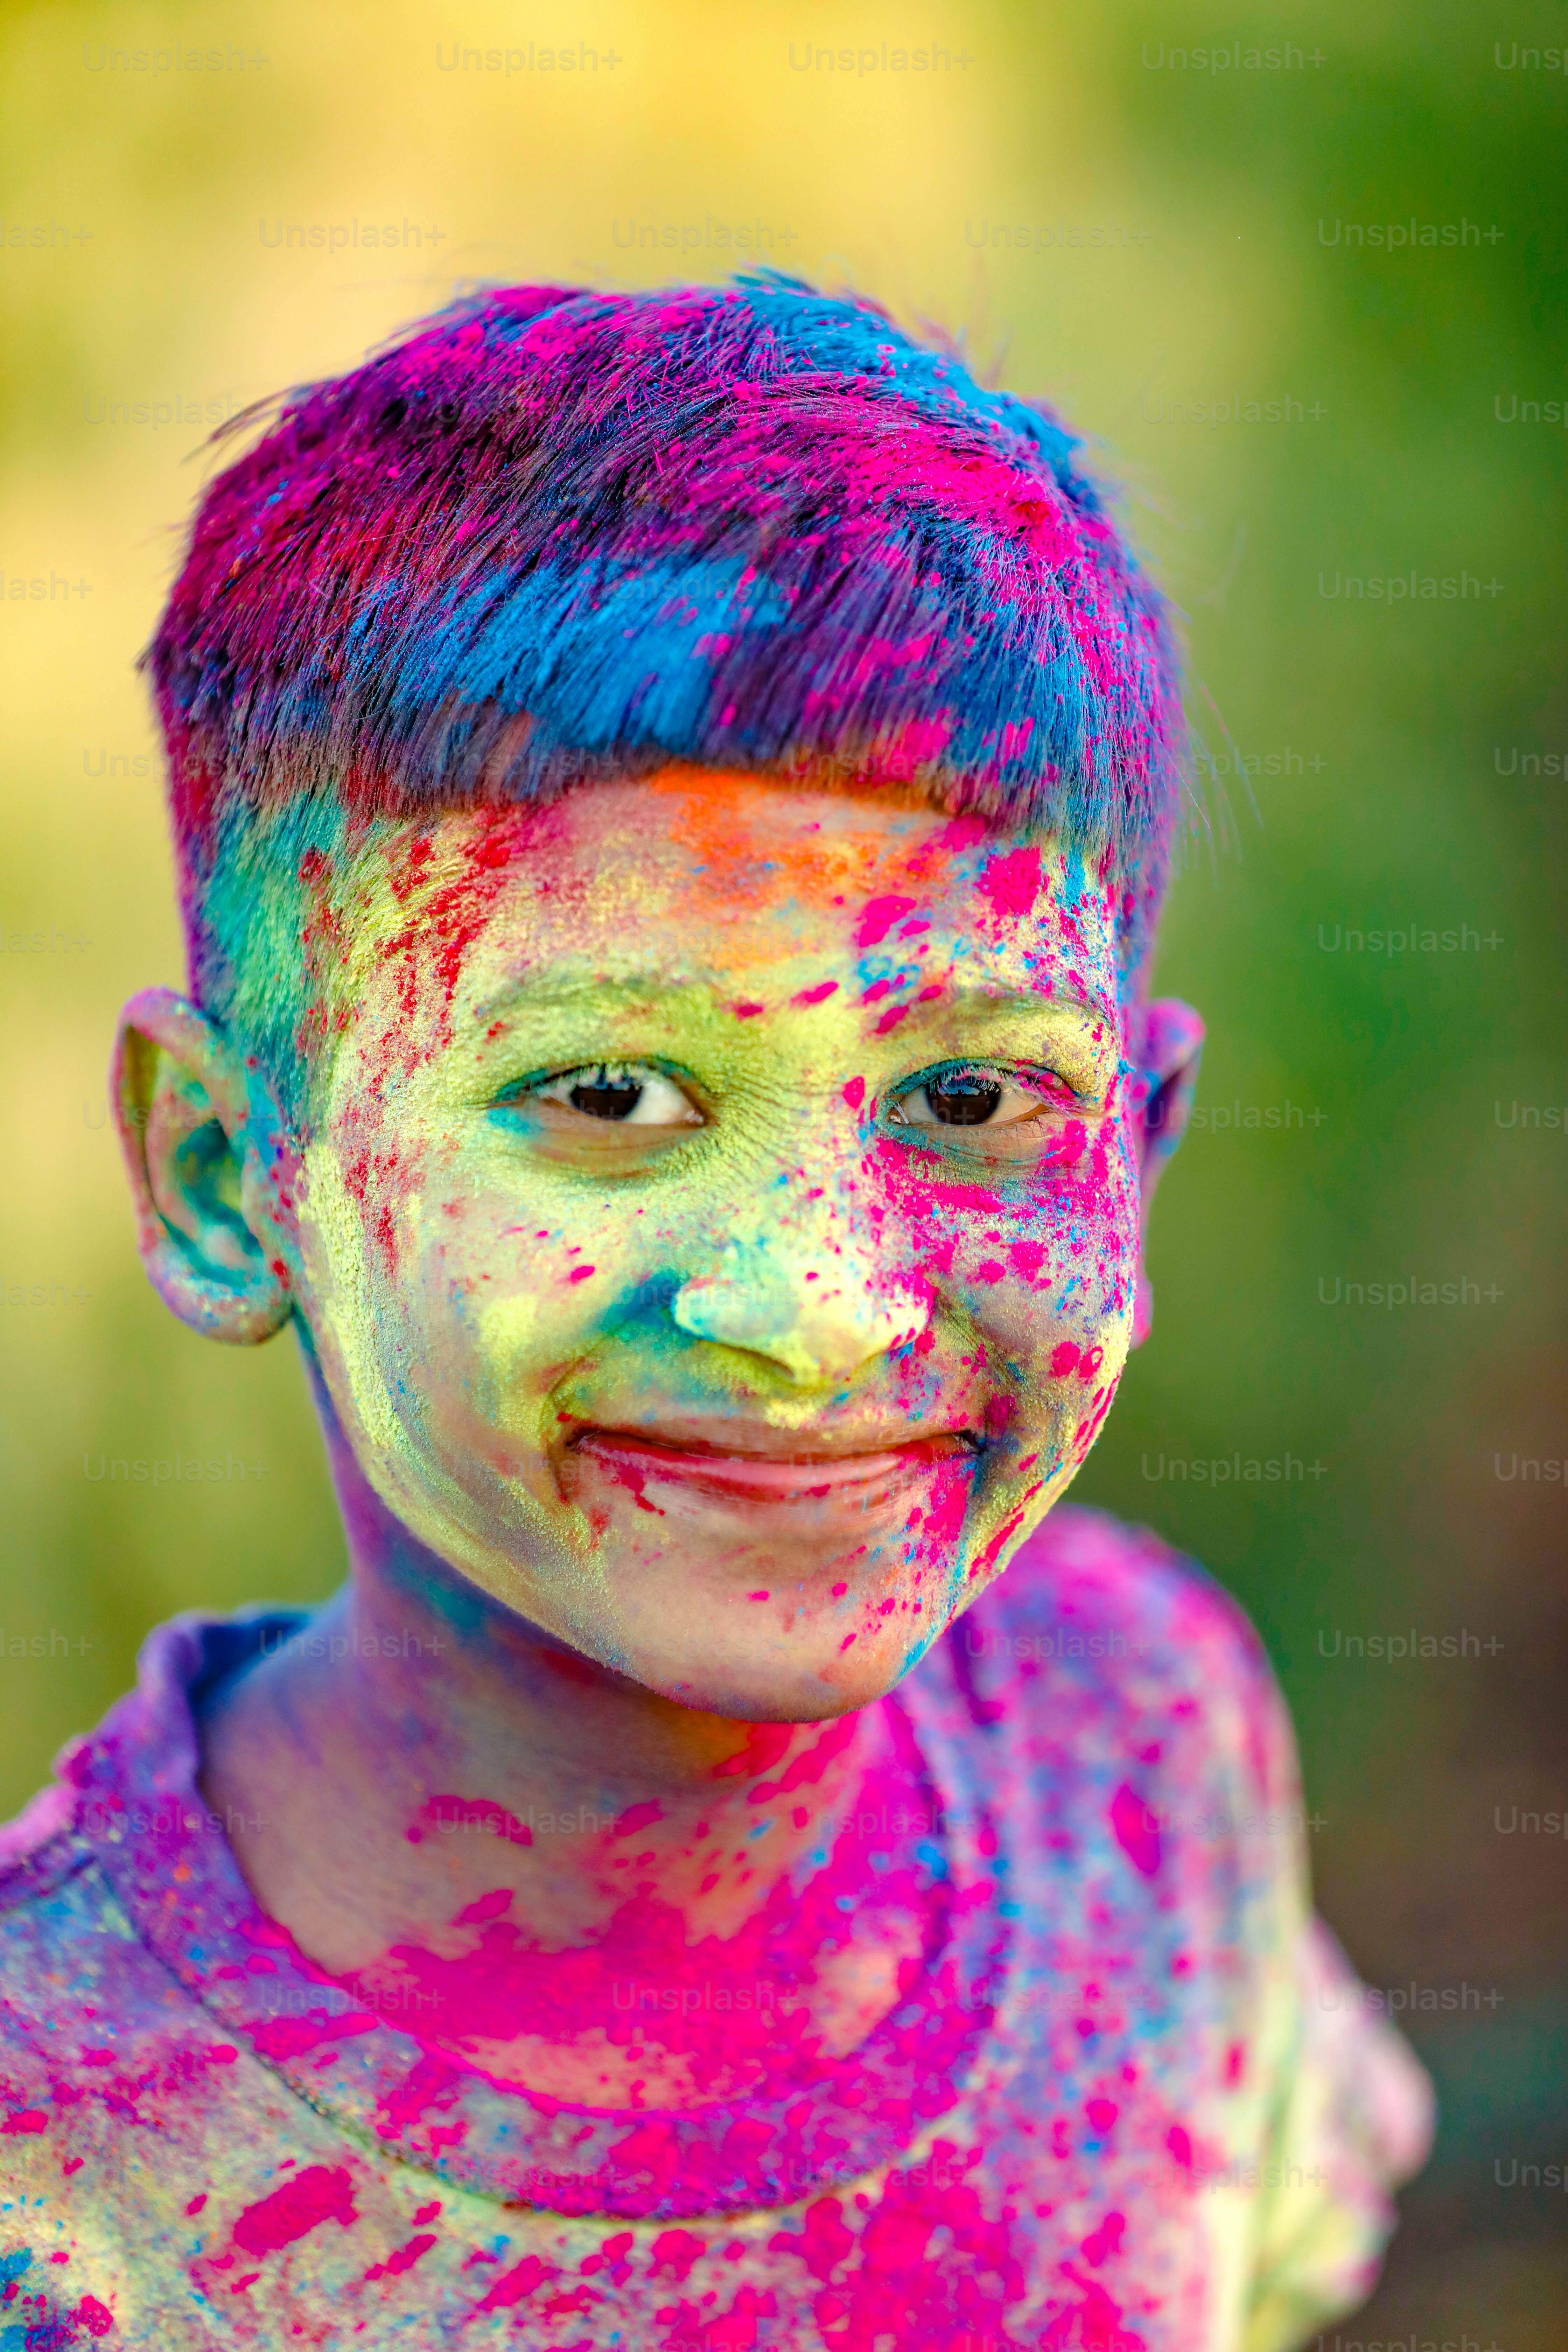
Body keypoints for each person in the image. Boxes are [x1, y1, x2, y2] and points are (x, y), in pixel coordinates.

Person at [0, 276, 1430, 2350]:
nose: (829, 1314)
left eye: (970, 1099)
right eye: (606, 1098)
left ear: (1139, 1136)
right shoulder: (66, 2177)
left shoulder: (1142, 1746)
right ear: (234, 1182)